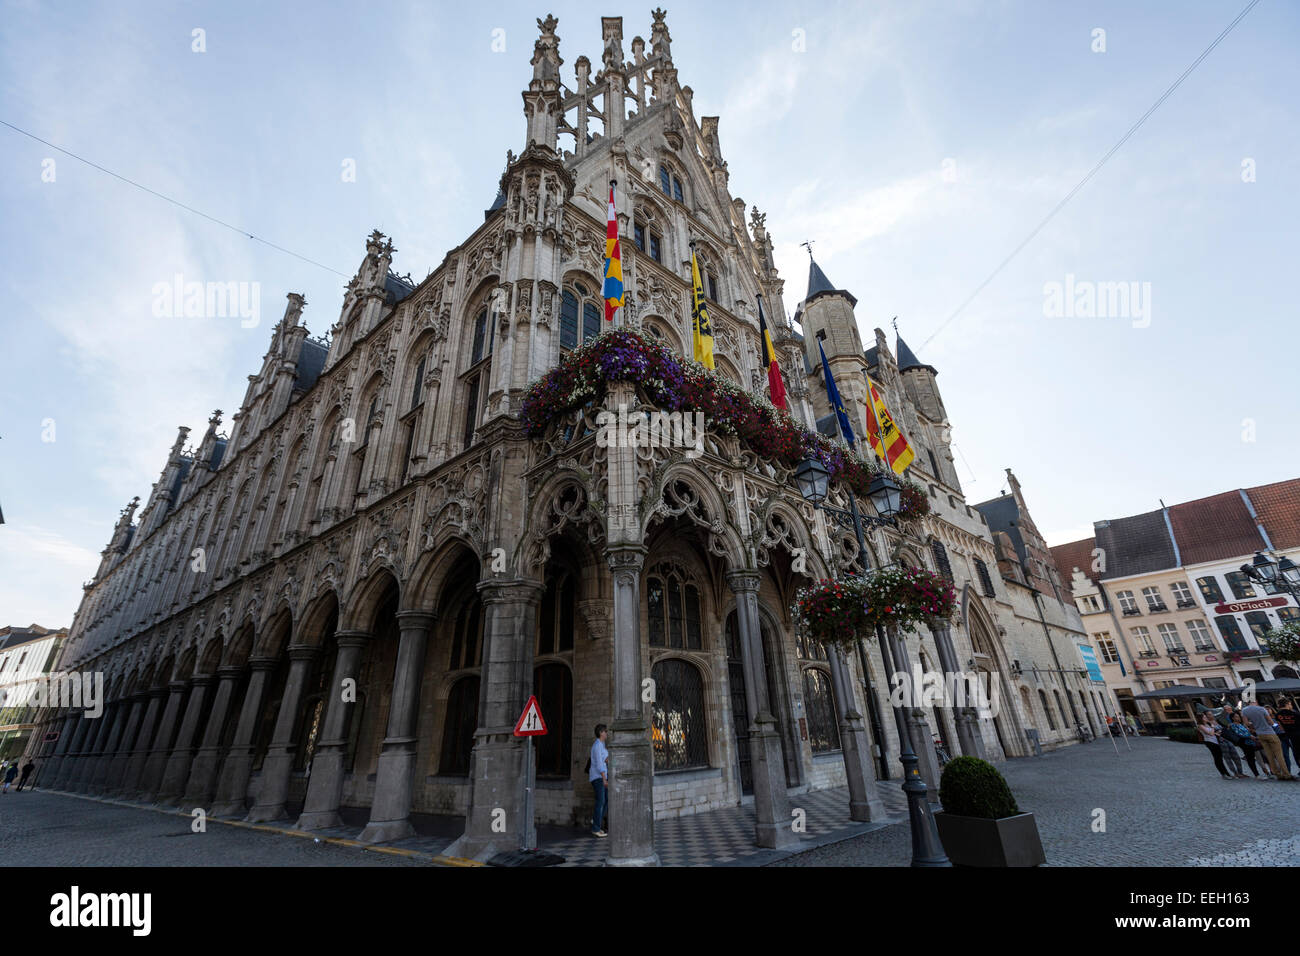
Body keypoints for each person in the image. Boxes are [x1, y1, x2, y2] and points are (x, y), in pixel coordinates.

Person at [1241, 698, 1294, 780]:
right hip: (1270, 733)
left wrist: (1254, 725)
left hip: (1260, 734)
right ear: (1256, 701)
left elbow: (1246, 723)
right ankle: (1286, 774)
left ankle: (1277, 774)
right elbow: (1271, 722)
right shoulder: (1261, 709)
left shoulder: (1244, 710)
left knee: (1270, 756)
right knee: (1279, 755)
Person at [588, 724, 609, 837]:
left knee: (605, 801)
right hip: (598, 777)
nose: (607, 733)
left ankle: (596, 820)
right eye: (605, 731)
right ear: (601, 732)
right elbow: (599, 764)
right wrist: (604, 779)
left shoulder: (602, 745)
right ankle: (596, 828)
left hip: (603, 777)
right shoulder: (597, 746)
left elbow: (605, 759)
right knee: (600, 801)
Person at [1198, 712, 1232, 779]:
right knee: (1217, 758)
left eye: (1205, 717)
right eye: (1204, 717)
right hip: (1210, 742)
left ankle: (1226, 773)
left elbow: (1213, 733)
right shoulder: (1200, 725)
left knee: (1220, 758)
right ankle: (1223, 774)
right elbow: (1210, 733)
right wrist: (1213, 727)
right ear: (1201, 718)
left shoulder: (1207, 724)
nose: (1206, 718)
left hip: (1216, 742)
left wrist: (1216, 732)